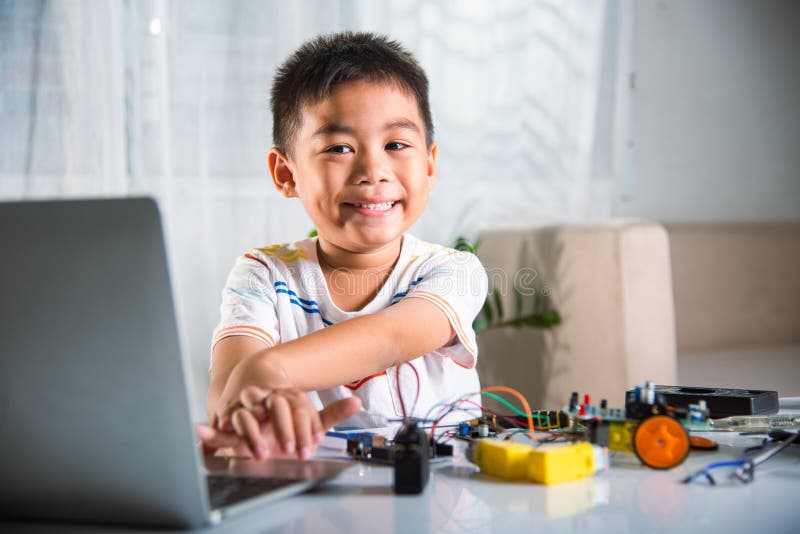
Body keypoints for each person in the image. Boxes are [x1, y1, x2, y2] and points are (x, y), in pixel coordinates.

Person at [197, 31, 488, 460]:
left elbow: (390, 337)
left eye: (396, 144)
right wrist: (253, 410)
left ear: (429, 164)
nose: (374, 170)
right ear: (286, 174)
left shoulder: (455, 271)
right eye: (339, 147)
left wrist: (267, 370)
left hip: (444, 505)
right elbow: (228, 385)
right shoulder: (263, 273)